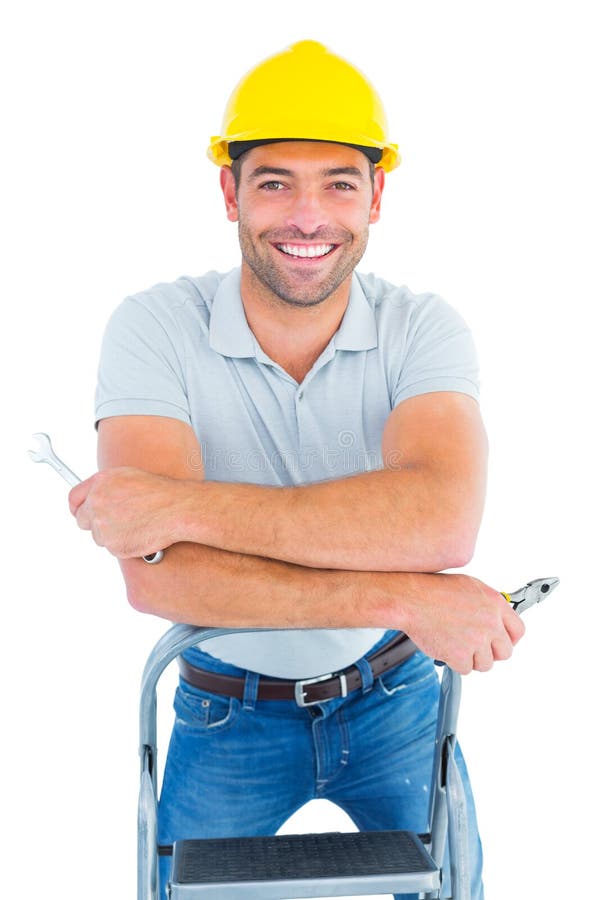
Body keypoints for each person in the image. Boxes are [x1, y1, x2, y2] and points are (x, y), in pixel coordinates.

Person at [69, 40, 524, 899]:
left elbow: (441, 523)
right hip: (224, 710)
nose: (307, 217)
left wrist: (181, 504)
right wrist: (399, 593)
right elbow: (160, 578)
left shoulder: (424, 330)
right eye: (275, 181)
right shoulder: (153, 328)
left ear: (377, 196)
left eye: (339, 184)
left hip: (396, 700)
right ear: (229, 191)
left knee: (455, 888)